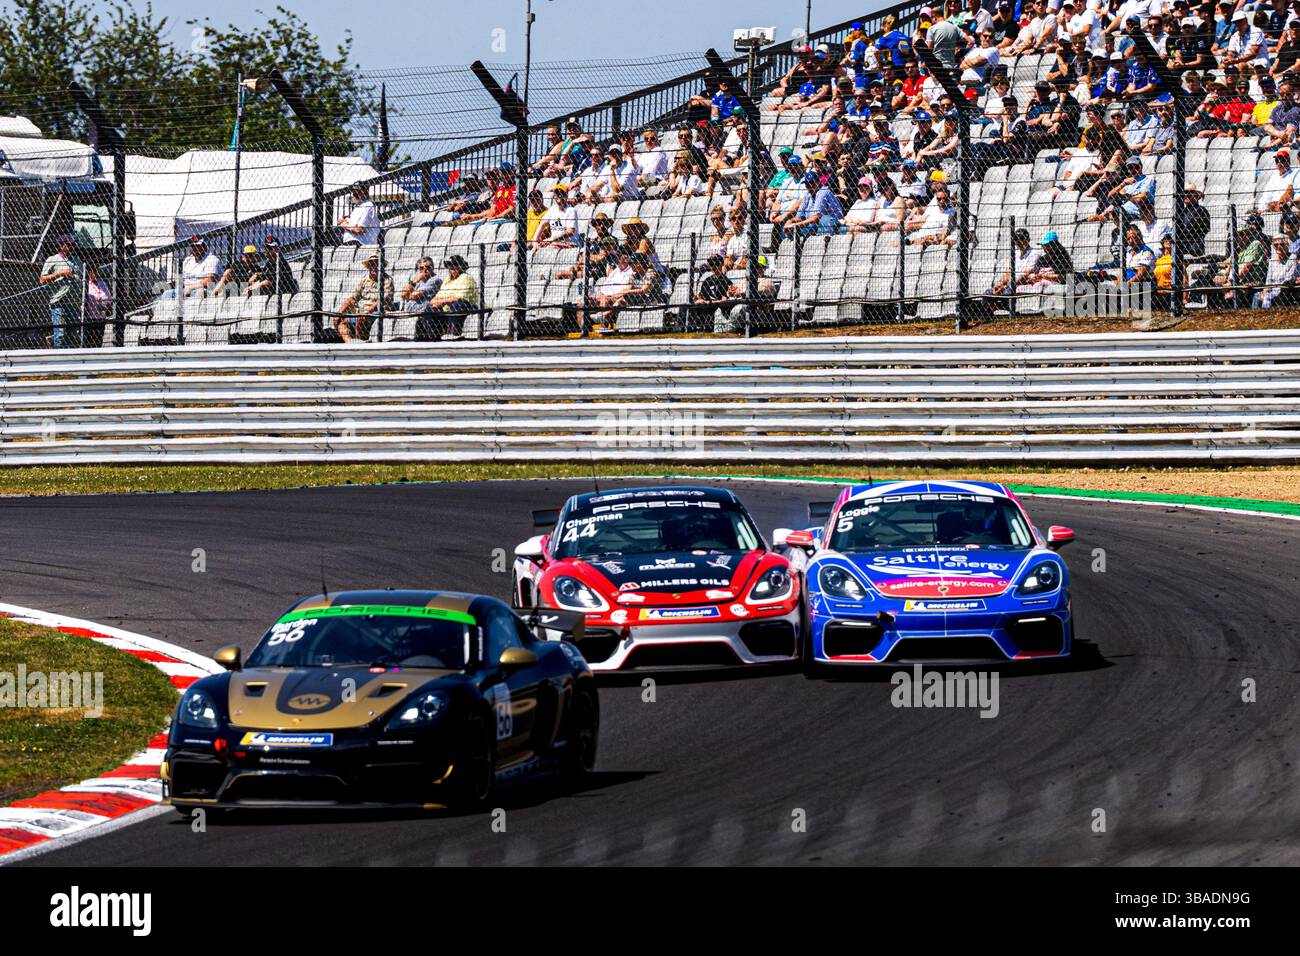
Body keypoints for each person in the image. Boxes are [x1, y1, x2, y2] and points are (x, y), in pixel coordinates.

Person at [335, 253, 394, 343]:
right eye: (372, 264)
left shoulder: (387, 280)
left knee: (360, 318)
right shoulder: (364, 280)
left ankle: (360, 343)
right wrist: (339, 313)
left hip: (378, 311)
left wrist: (367, 312)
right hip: (362, 311)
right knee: (340, 321)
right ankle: (350, 343)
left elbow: (383, 299)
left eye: (377, 264)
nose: (374, 267)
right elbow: (353, 298)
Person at [39, 235, 82, 348]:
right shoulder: (52, 259)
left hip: (73, 301)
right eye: (68, 245)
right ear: (61, 245)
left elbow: (81, 277)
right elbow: (42, 279)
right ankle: (57, 356)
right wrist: (60, 273)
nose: (71, 247)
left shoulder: (76, 260)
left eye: (72, 244)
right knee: (60, 333)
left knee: (73, 333)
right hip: (58, 301)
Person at [424, 255, 479, 340]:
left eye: (455, 265)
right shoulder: (447, 280)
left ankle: (454, 334)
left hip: (467, 307)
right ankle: (432, 336)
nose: (452, 267)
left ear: (461, 266)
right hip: (447, 308)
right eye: (450, 265)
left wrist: (441, 302)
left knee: (457, 304)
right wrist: (435, 302)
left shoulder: (466, 278)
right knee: (429, 308)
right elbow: (436, 297)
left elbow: (460, 297)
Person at [1254, 236, 1297, 307]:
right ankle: (1255, 316)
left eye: (1282, 244)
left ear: (1287, 245)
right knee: (1257, 295)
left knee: (1267, 298)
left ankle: (1267, 317)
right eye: (1276, 245)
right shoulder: (1272, 261)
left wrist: (1269, 294)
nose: (1279, 247)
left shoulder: (1292, 258)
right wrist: (1265, 291)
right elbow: (1268, 280)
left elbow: (1289, 279)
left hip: (1284, 291)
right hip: (1271, 290)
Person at [399, 256, 442, 322]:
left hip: (423, 313)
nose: (425, 270)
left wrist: (409, 294)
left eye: (428, 267)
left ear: (432, 267)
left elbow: (415, 295)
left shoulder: (436, 279)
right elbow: (402, 295)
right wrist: (414, 282)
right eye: (421, 268)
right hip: (410, 311)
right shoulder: (418, 279)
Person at [82, 263, 110, 349]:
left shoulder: (102, 283)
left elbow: (108, 297)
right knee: (89, 340)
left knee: (99, 339)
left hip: (101, 316)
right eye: (91, 272)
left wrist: (106, 304)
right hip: (89, 316)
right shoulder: (85, 284)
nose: (93, 274)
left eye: (95, 271)